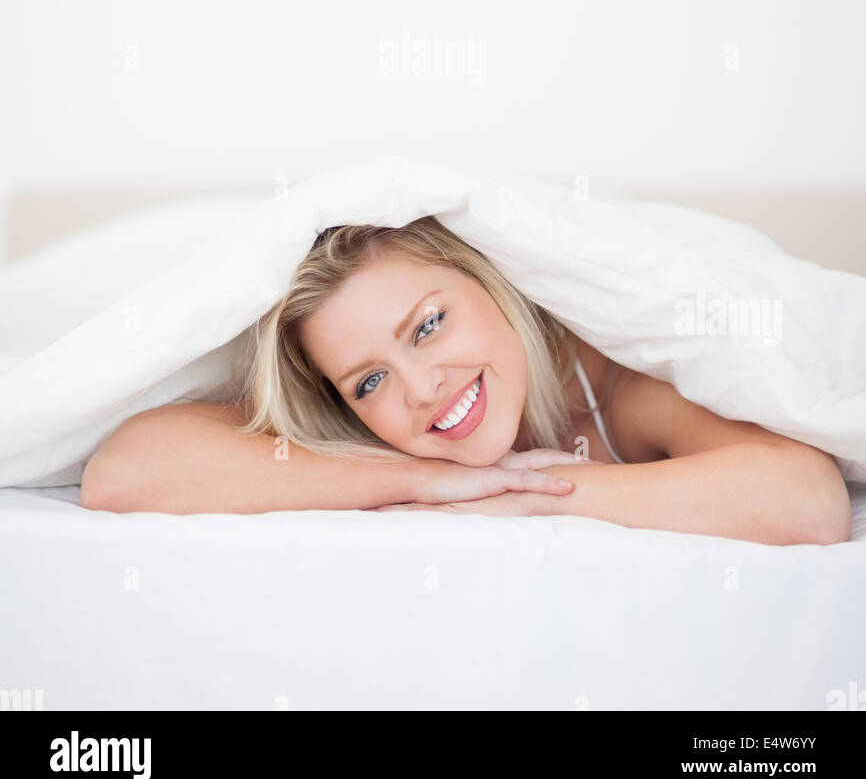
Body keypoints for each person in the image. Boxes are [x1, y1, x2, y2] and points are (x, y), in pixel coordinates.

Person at [80, 217, 851, 544]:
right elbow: (123, 472)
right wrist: (419, 481)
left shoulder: (619, 384)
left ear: (494, 284)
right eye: (368, 380)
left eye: (428, 325)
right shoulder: (377, 433)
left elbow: (809, 500)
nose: (419, 390)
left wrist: (524, 493)